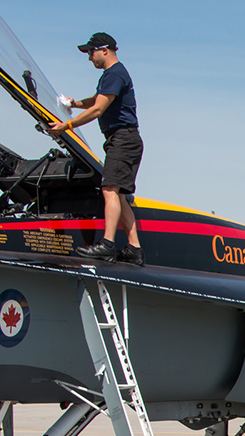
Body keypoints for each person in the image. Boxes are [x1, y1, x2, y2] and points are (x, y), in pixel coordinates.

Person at [49, 32, 145, 265]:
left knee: (109, 190)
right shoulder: (111, 76)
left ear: (105, 50)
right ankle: (134, 249)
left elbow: (98, 109)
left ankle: (107, 245)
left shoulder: (114, 73)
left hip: (122, 139)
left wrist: (67, 125)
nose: (89, 57)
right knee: (120, 196)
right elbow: (96, 99)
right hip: (122, 140)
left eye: (91, 52)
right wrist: (74, 104)